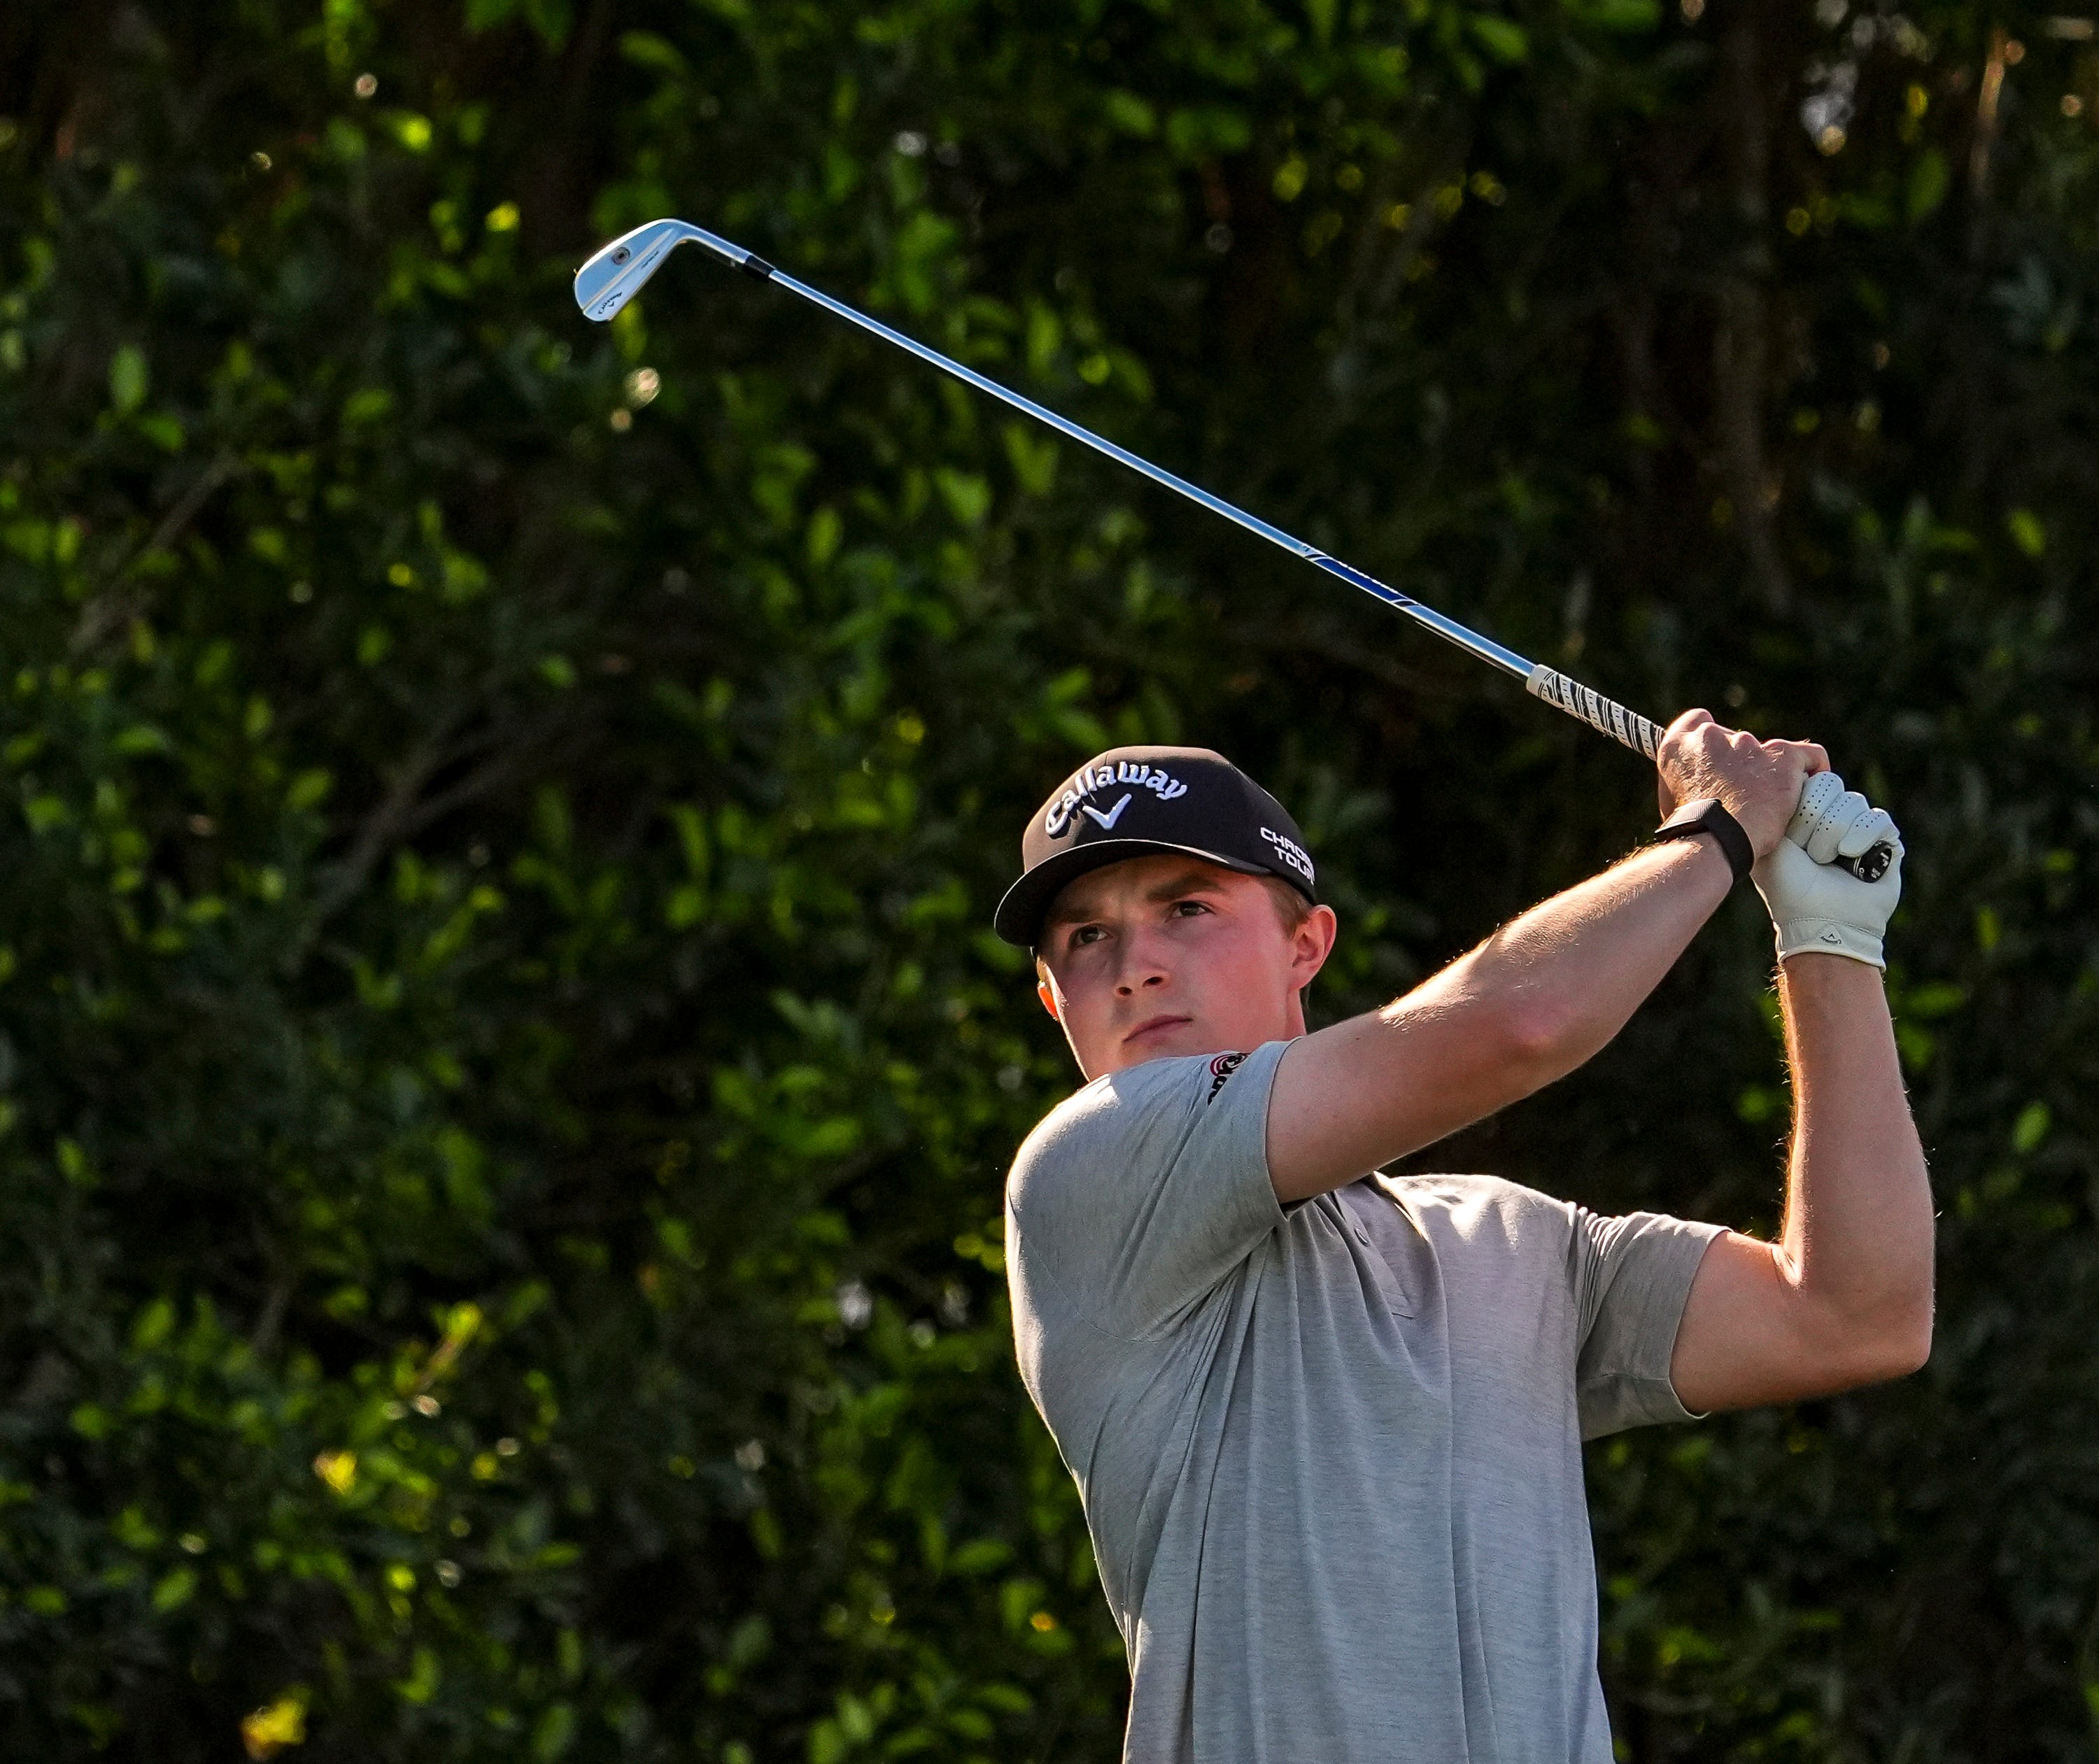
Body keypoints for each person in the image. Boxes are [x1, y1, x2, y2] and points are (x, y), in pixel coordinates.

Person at [992, 712, 1932, 1764]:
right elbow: (1515, 1026)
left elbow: (1857, 1314)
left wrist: (1832, 941)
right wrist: (1714, 829)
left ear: (1307, 943)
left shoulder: (1511, 1243)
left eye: (1187, 906)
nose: (1134, 966)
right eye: (1086, 936)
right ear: (1052, 996)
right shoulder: (1082, 1174)